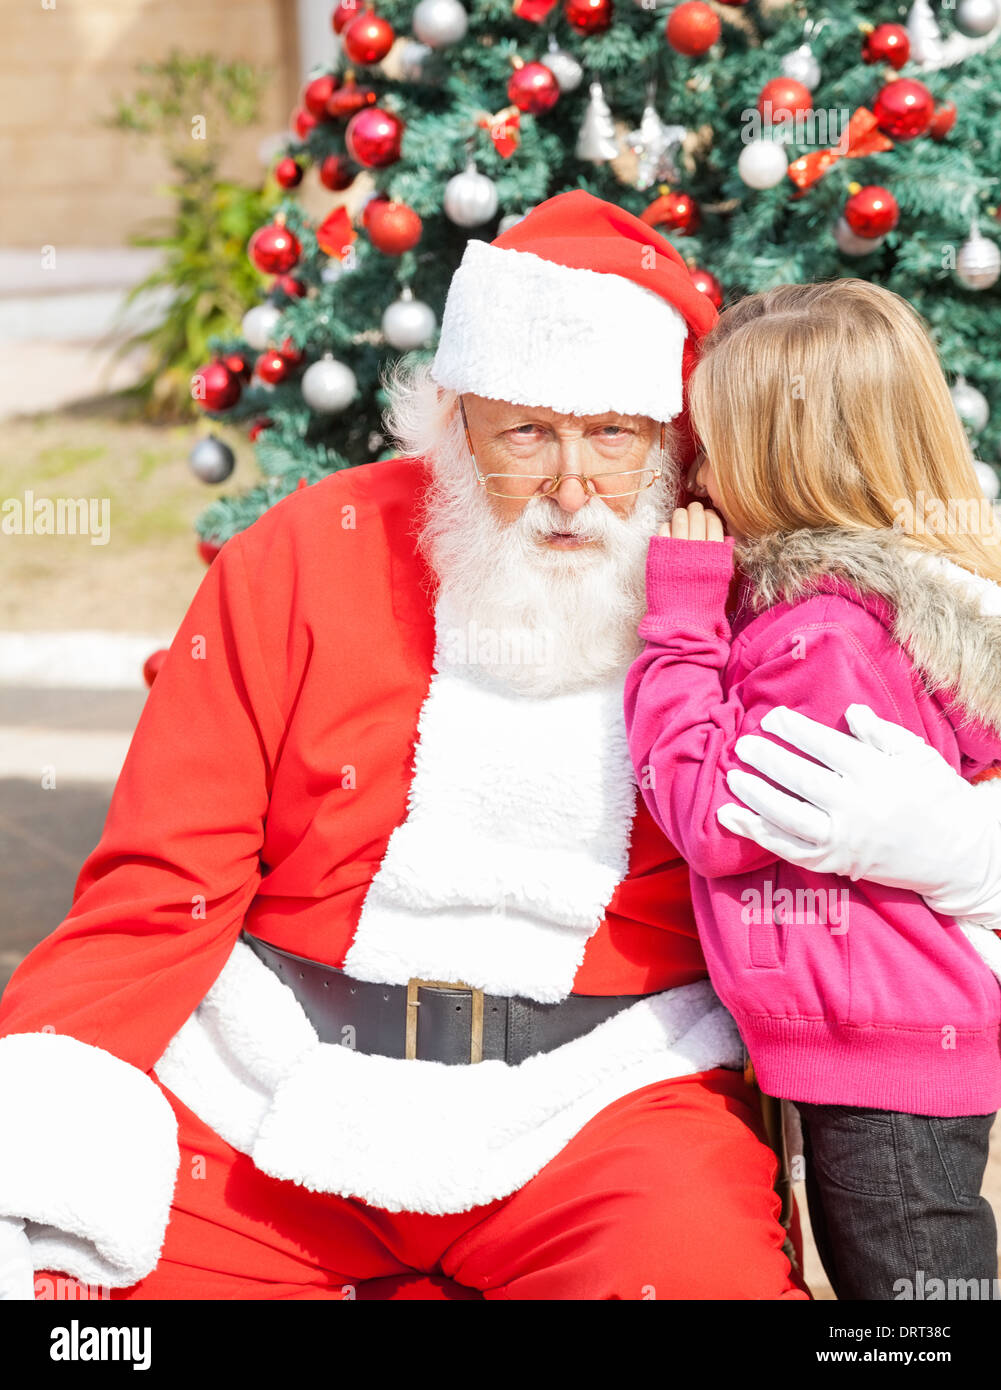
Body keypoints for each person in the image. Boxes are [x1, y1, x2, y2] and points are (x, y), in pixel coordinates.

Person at [0, 202, 999, 1302]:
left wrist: (967, 845)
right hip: (271, 1084)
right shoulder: (298, 555)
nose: (571, 489)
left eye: (613, 434)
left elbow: (951, 668)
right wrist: (57, 1151)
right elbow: (156, 885)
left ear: (673, 440)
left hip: (603, 1099)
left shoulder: (752, 571)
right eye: (525, 433)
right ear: (454, 421)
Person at [623, 278, 1001, 1301]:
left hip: (873, 1058)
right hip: (873, 1048)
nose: (689, 468)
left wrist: (679, 621)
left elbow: (712, 815)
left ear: (777, 458)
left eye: (709, 442)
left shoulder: (816, 637)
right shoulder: (875, 609)